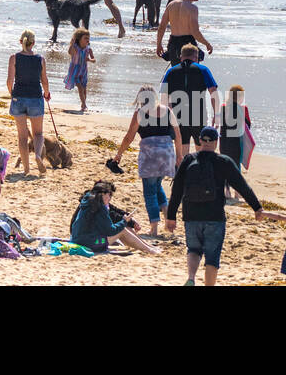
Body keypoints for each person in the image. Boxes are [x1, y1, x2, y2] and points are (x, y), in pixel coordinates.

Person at [165, 125, 265, 286]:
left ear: (200, 141)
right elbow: (242, 186)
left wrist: (171, 217)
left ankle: (191, 278)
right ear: (216, 142)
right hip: (215, 217)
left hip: (191, 215)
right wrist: (257, 207)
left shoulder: (189, 159)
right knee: (212, 257)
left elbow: (176, 189)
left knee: (193, 250)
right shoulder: (223, 161)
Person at [113, 86, 183, 236]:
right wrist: (179, 156)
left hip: (150, 156)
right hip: (167, 154)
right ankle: (167, 220)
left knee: (150, 192)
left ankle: (154, 228)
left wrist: (119, 154)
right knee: (157, 186)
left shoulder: (140, 113)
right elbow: (178, 135)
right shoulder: (167, 111)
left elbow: (129, 137)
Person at [69, 181, 161, 254]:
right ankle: (149, 250)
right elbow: (111, 230)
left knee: (122, 228)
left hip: (78, 238)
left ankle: (148, 247)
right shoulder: (100, 207)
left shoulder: (89, 201)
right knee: (122, 230)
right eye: (109, 195)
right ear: (102, 194)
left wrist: (125, 221)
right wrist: (124, 221)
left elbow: (113, 214)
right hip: (89, 243)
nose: (110, 198)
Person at [7, 31, 50, 176]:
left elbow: (9, 81)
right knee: (38, 133)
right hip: (35, 98)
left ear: (21, 42)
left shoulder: (14, 58)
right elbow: (44, 80)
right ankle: (38, 155)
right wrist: (47, 93)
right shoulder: (40, 59)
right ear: (33, 43)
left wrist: (11, 94)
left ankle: (26, 168)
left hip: (18, 97)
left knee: (22, 136)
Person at [161, 45, 219, 149]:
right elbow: (213, 92)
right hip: (199, 116)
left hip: (177, 116)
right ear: (196, 57)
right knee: (201, 150)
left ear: (181, 56)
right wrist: (216, 114)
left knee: (182, 153)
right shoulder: (203, 70)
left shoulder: (171, 71)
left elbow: (164, 96)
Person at [155, 0, 213, 64]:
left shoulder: (171, 5)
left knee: (176, 71)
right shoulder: (192, 8)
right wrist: (207, 44)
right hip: (188, 44)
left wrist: (159, 44)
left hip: (173, 43)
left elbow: (162, 27)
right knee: (192, 72)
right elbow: (195, 32)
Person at [64, 29, 95, 112]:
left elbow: (94, 59)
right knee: (80, 88)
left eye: (88, 38)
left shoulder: (88, 49)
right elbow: (70, 52)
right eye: (85, 38)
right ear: (79, 39)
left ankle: (83, 104)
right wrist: (71, 44)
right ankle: (84, 105)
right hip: (75, 71)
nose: (87, 40)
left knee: (84, 89)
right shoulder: (75, 47)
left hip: (83, 71)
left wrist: (89, 60)